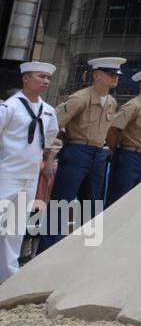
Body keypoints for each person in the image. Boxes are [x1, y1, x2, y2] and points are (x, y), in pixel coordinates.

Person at [38, 56, 123, 252]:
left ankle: (86, 250)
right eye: (110, 74)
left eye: (116, 75)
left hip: (98, 153)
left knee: (92, 204)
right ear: (97, 75)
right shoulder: (80, 98)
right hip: (77, 150)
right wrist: (54, 153)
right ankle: (47, 250)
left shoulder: (111, 101)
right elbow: (54, 124)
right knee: (61, 202)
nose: (114, 78)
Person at [0, 62, 59, 282]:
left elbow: (50, 139)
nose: (45, 81)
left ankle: (7, 277)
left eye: (48, 78)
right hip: (6, 172)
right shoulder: (9, 108)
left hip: (29, 176)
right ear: (25, 78)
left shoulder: (48, 111)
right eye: (41, 76)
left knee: (14, 229)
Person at [105, 67, 141, 206]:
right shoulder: (134, 105)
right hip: (128, 154)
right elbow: (113, 129)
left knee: (136, 199)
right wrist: (115, 150)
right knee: (120, 197)